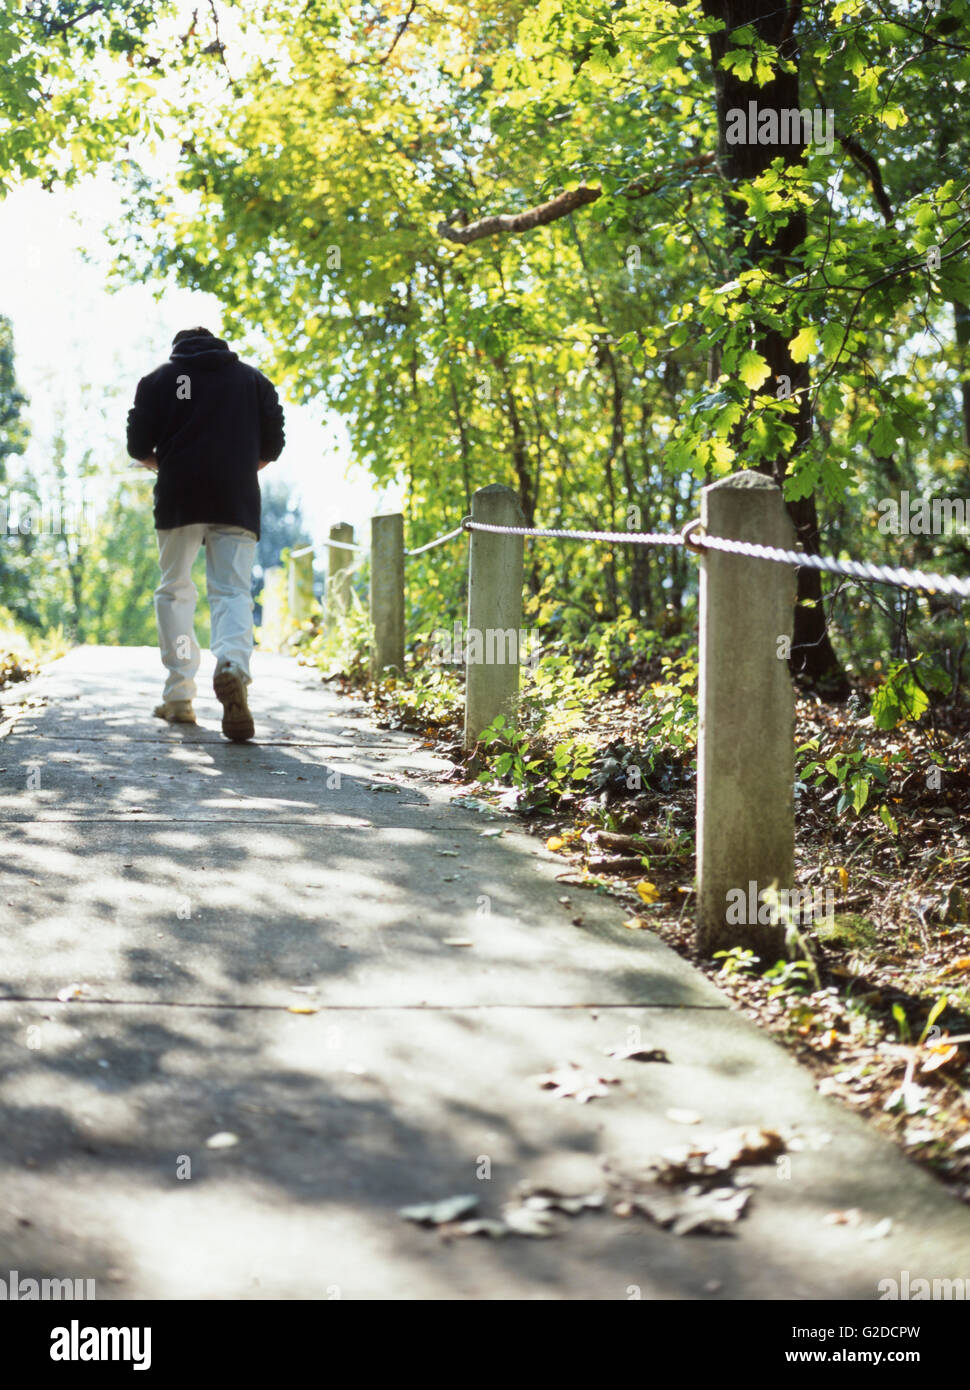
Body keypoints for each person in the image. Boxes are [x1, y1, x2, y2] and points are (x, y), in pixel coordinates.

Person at [126, 327, 285, 741]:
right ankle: (232, 666)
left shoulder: (159, 380)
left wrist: (177, 467)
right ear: (221, 347)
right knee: (231, 591)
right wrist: (232, 469)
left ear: (177, 349)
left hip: (179, 497)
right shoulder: (253, 380)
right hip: (236, 498)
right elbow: (272, 446)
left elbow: (137, 445)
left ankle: (179, 698)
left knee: (175, 589)